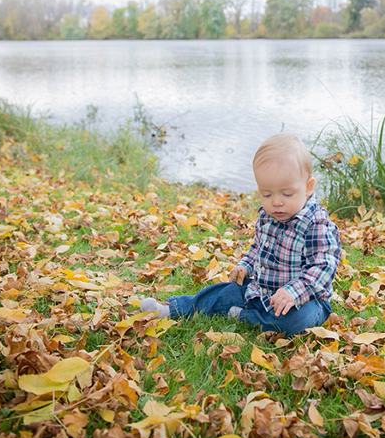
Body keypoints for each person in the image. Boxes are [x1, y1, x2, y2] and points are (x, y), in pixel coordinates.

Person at [139, 133, 341, 336]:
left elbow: (324, 266)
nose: (276, 202)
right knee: (225, 293)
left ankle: (246, 317)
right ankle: (172, 309)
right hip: (261, 290)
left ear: (307, 187)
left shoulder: (316, 223)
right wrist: (245, 266)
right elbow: (259, 249)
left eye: (286, 194)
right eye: (266, 194)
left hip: (306, 300)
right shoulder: (268, 216)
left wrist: (293, 292)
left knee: (296, 321)